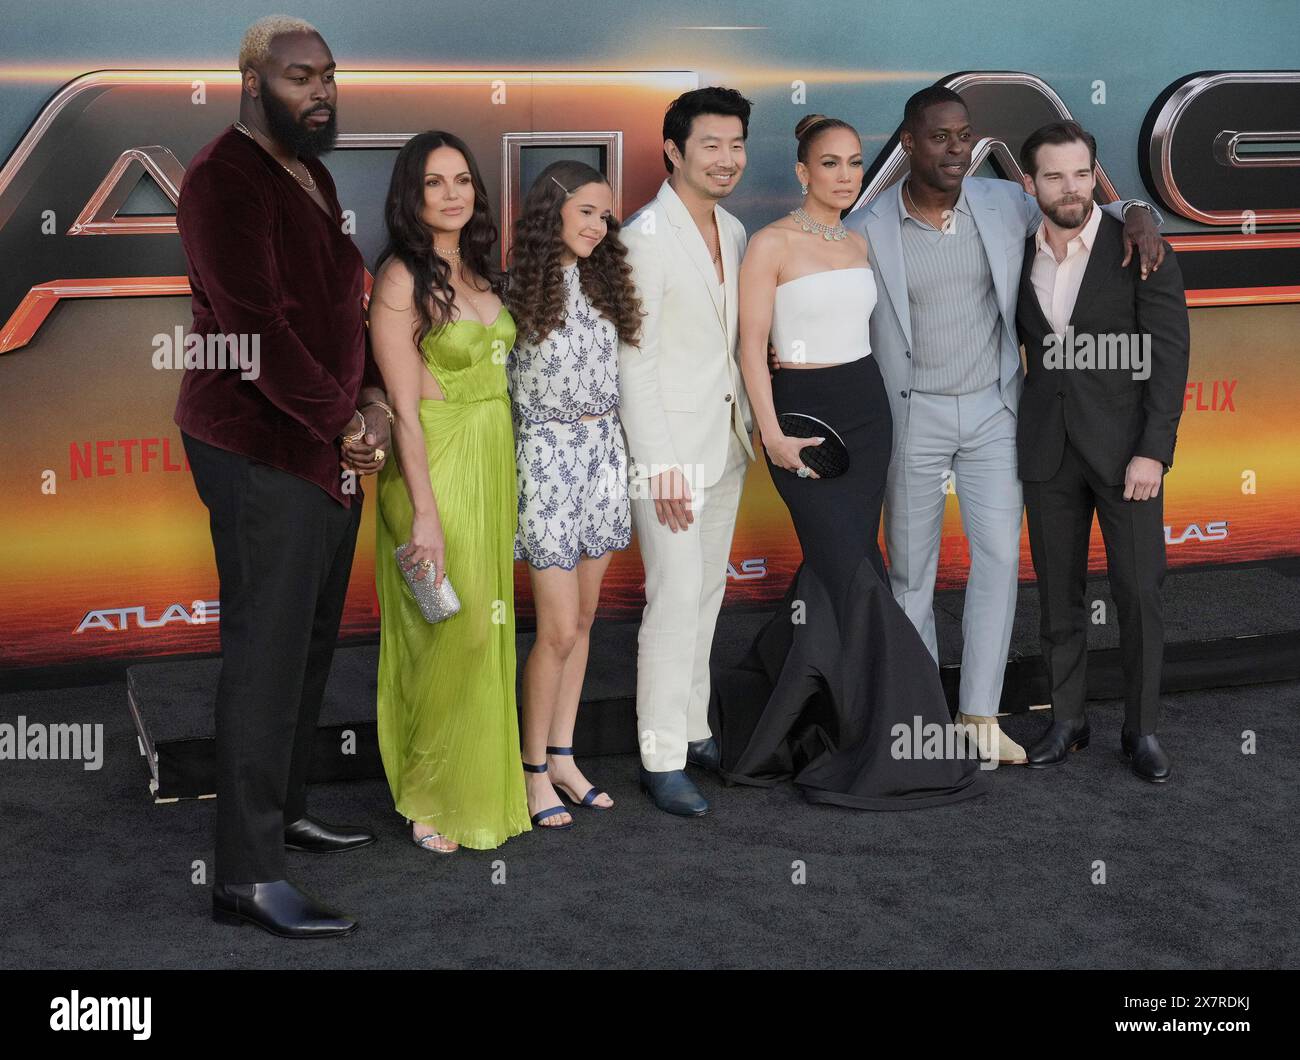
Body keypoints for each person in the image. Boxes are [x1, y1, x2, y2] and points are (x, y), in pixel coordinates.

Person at [831, 86, 1166, 764]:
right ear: (907, 144)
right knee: (912, 576)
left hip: (994, 411)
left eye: (963, 135)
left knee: (997, 565)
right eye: (939, 137)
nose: (955, 149)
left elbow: (1086, 205)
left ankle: (980, 716)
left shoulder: (1003, 202)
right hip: (912, 413)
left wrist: (1140, 209)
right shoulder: (865, 229)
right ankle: (925, 715)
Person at [175, 16, 390, 939]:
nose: (321, 91)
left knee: (305, 643)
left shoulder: (306, 169)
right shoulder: (222, 178)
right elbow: (253, 329)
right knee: (264, 656)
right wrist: (344, 421)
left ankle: (284, 810)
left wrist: (371, 406)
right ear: (252, 80)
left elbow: (337, 306)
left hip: (321, 441)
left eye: (329, 76)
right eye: (301, 76)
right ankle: (245, 877)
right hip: (258, 443)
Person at [709, 115, 988, 808]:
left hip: (866, 412)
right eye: (828, 164)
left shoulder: (862, 241)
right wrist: (769, 432)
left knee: (840, 572)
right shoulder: (770, 244)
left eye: (854, 163)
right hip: (801, 417)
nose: (843, 175)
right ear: (802, 172)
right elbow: (750, 348)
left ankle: (784, 719)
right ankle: (904, 738)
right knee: (857, 575)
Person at [369, 131, 530, 853]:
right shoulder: (402, 278)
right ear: (411, 195)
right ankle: (430, 795)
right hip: (433, 463)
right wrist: (425, 517)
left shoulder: (482, 274)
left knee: (485, 630)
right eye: (435, 182)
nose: (453, 193)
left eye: (462, 179)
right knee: (446, 629)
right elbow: (404, 406)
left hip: (492, 457)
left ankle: (479, 785)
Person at [1014, 121, 1189, 781]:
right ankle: (1068, 720)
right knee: (1058, 596)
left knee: (1139, 593)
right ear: (1030, 183)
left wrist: (1154, 451)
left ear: (1096, 175)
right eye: (1054, 176)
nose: (1070, 188)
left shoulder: (1138, 246)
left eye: (1081, 173)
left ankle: (1141, 731)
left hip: (1126, 454)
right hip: (1047, 450)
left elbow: (1168, 358)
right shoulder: (1013, 249)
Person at [617, 87, 757, 817]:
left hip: (725, 444)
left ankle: (694, 725)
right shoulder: (642, 238)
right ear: (673, 150)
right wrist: (661, 463)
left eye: (736, 144)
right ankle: (660, 756)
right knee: (672, 600)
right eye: (711, 144)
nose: (727, 158)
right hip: (669, 457)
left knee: (705, 594)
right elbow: (631, 362)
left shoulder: (732, 231)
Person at [505, 161, 642, 828]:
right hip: (546, 461)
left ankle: (562, 755)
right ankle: (531, 772)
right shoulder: (516, 294)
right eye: (587, 211)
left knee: (585, 623)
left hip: (604, 459)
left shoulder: (605, 283)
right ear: (551, 211)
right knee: (555, 627)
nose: (599, 225)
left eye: (605, 215)